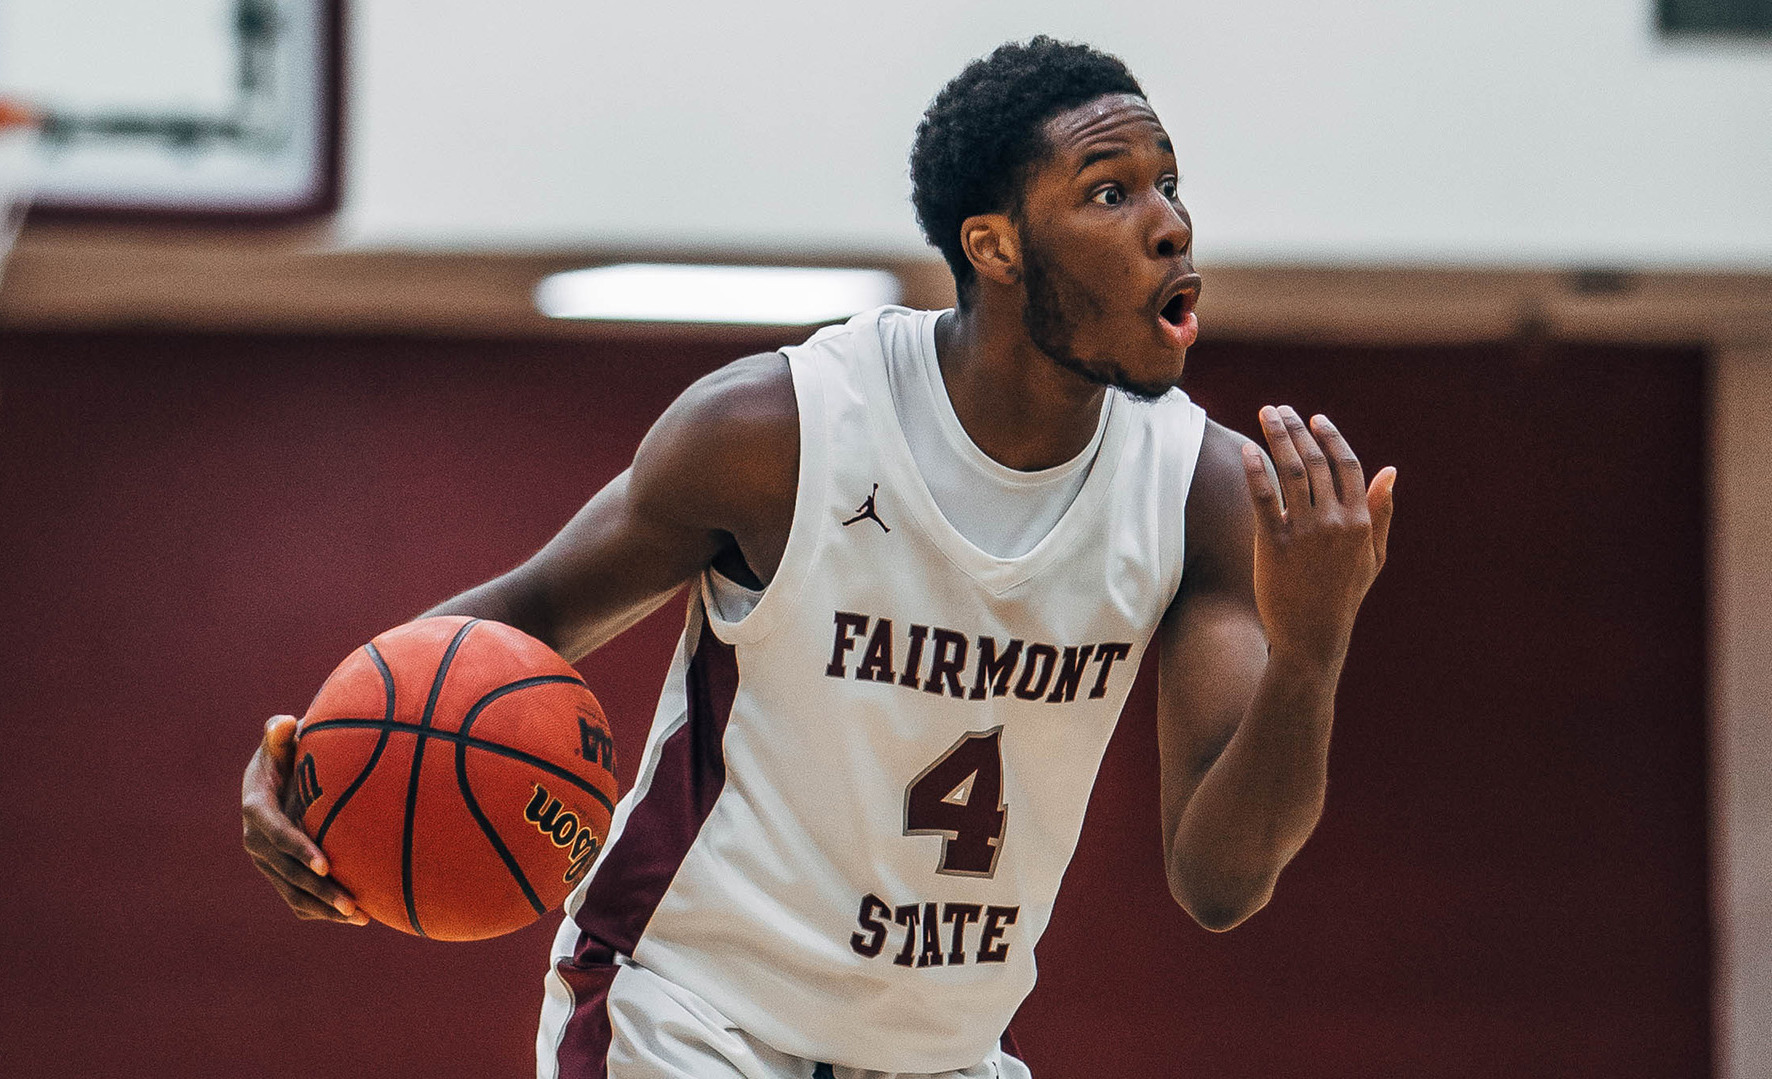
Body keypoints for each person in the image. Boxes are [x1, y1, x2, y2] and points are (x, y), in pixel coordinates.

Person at [241, 36, 1396, 1079]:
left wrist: (1311, 651)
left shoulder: (1199, 491)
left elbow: (1221, 882)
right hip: (690, 1025)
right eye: (1109, 191)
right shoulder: (784, 428)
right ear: (993, 246)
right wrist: (320, 762)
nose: (1170, 221)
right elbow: (524, 611)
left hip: (943, 1055)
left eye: (1169, 183)